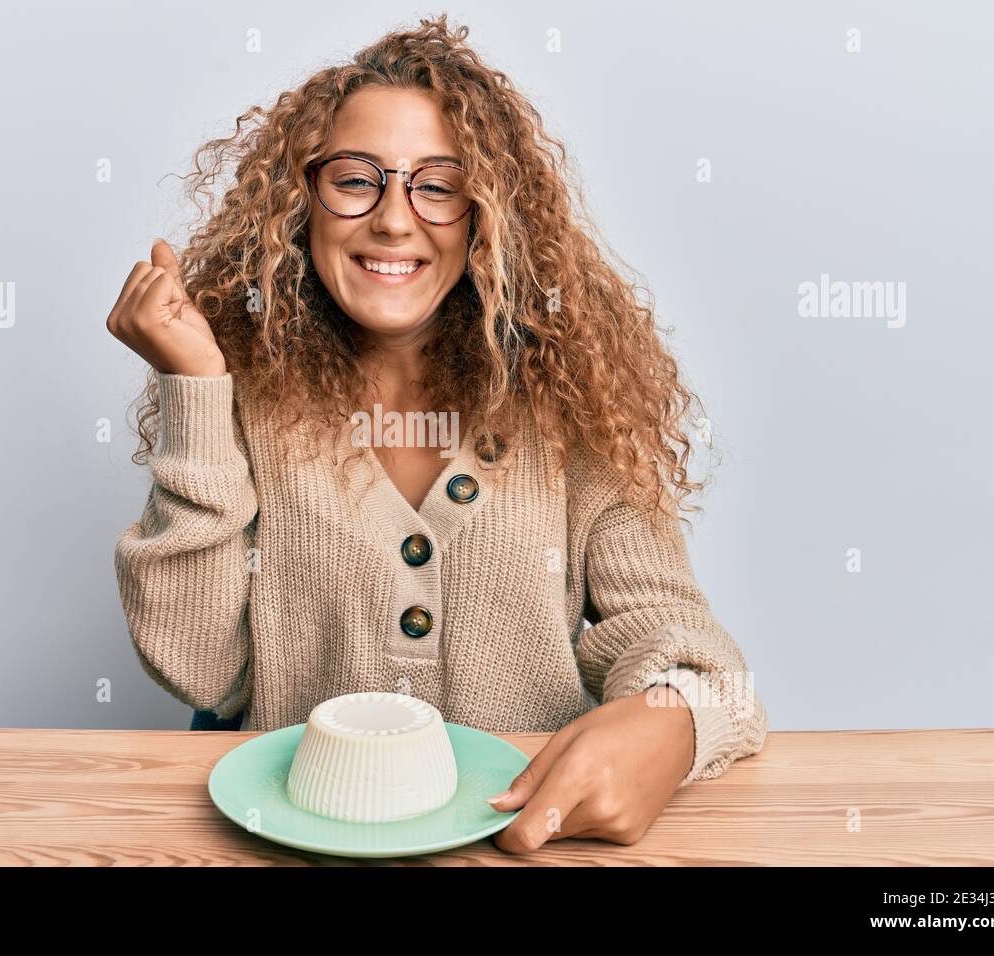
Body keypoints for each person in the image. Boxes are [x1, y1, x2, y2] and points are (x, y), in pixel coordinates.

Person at [108, 15, 766, 853]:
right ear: (298, 201)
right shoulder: (243, 402)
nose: (392, 219)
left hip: (525, 846)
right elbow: (201, 672)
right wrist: (194, 389)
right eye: (355, 180)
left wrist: (669, 722)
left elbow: (699, 661)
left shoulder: (572, 410)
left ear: (486, 215)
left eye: (438, 184)